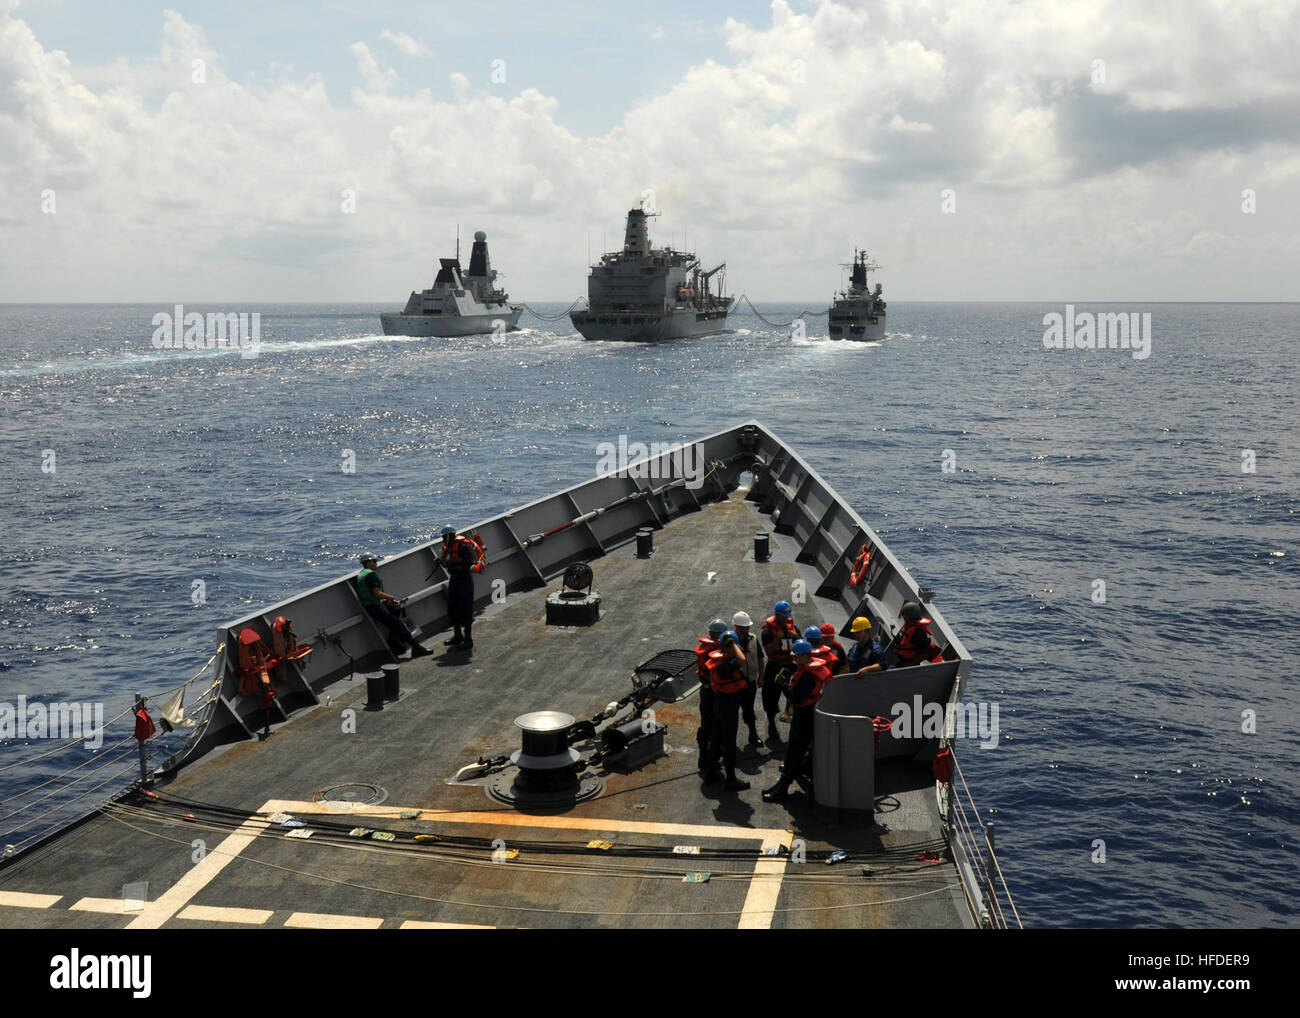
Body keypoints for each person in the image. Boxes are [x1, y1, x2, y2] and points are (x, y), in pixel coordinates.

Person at [761, 640, 832, 802]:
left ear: (805, 656)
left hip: (803, 717)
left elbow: (797, 697)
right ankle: (780, 785)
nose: (793, 659)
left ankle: (781, 791)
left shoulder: (808, 675)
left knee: (794, 753)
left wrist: (783, 685)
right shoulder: (808, 669)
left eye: (796, 657)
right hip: (807, 714)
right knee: (794, 752)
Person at [356, 554, 431, 657]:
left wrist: (388, 601)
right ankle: (416, 648)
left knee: (395, 610)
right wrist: (391, 598)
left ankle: (395, 643)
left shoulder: (362, 574)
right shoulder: (370, 575)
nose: (376, 563)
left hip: (372, 604)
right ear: (368, 562)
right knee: (398, 624)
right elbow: (377, 593)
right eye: (374, 561)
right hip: (375, 607)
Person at [704, 631, 752, 791]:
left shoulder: (716, 659)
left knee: (716, 738)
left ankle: (711, 773)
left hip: (719, 703)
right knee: (729, 742)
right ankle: (731, 779)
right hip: (728, 706)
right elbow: (742, 659)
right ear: (730, 647)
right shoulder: (725, 665)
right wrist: (733, 646)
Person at [759, 600, 799, 740]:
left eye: (787, 617)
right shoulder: (767, 632)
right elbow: (768, 651)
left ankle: (792, 718)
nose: (786, 619)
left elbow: (802, 646)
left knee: (795, 693)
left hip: (790, 665)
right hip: (775, 666)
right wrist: (777, 639)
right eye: (783, 616)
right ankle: (771, 724)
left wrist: (797, 637)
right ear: (776, 615)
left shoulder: (793, 628)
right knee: (770, 696)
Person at [695, 618, 728, 777]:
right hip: (714, 693)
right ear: (717, 635)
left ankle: (703, 757)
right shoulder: (713, 652)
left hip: (705, 691)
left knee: (705, 725)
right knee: (715, 726)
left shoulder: (704, 649)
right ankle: (710, 762)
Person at [439, 526, 479, 649]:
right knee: (453, 609)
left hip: (464, 581)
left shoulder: (462, 546)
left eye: (444, 536)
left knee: (465, 609)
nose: (443, 539)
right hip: (454, 580)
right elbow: (450, 563)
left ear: (449, 535)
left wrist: (453, 563)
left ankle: (468, 640)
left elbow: (471, 561)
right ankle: (458, 636)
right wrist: (443, 562)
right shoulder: (450, 547)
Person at [731, 610, 762, 747]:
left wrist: (761, 676)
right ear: (736, 627)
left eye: (748, 626)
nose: (746, 629)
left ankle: (753, 735)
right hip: (735, 684)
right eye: (743, 627)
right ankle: (730, 740)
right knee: (732, 712)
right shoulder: (729, 642)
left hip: (750, 682)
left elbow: (760, 658)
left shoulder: (753, 639)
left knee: (749, 710)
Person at [896, 601, 945, 667]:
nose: (903, 617)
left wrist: (911, 664)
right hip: (902, 660)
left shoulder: (918, 632)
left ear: (908, 617)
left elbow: (924, 653)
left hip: (909, 664)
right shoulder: (909, 626)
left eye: (904, 616)